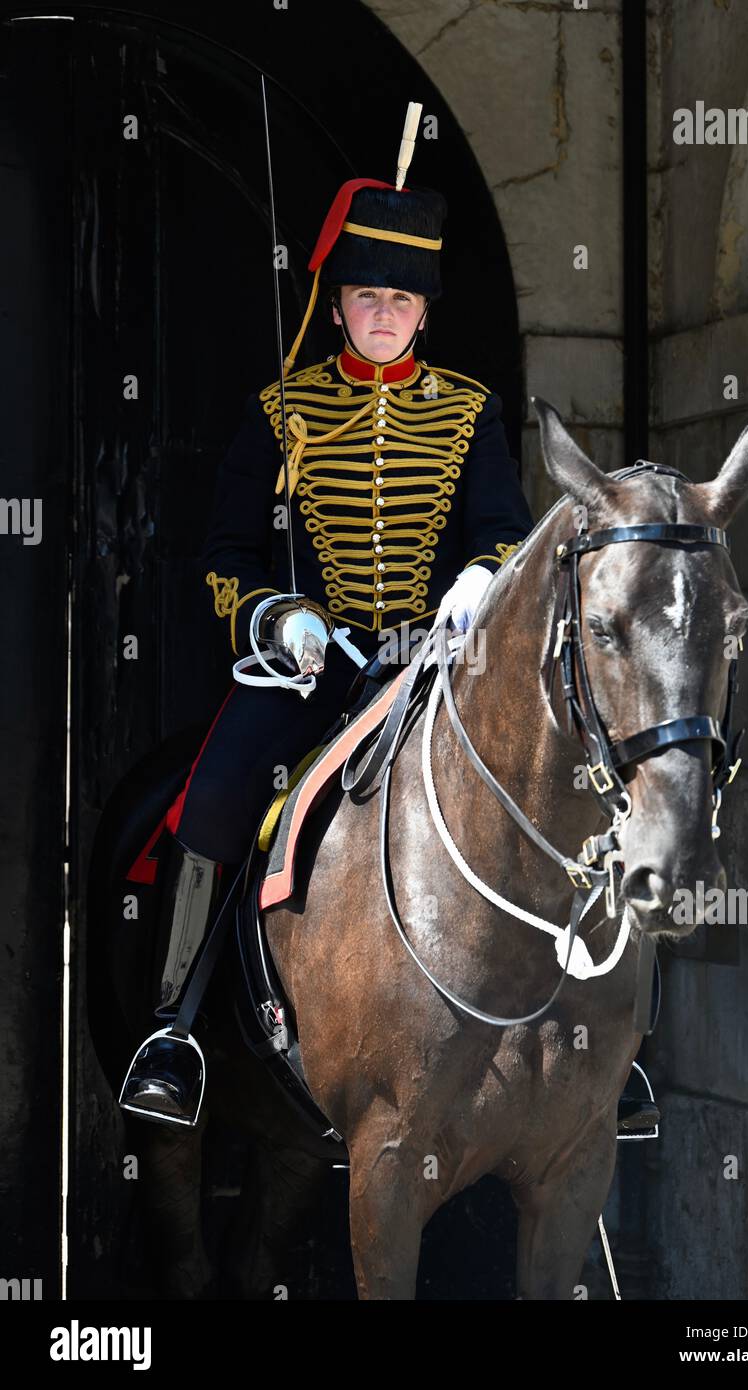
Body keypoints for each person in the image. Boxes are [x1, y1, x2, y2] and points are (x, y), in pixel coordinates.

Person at [119, 170, 535, 1127]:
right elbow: (225, 557)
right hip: (319, 667)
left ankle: (589, 1044)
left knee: (559, 782)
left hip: (436, 671)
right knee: (216, 795)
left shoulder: (470, 414)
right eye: (365, 296)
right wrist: (280, 617)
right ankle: (174, 1029)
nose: (382, 315)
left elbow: (505, 532)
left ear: (424, 313)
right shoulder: (283, 412)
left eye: (400, 299)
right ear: (339, 305)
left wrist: (481, 581)